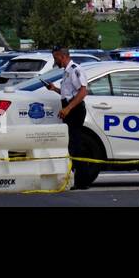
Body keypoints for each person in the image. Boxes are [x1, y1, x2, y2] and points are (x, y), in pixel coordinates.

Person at [41, 46, 88, 179]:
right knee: (71, 143)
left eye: (56, 58)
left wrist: (68, 108)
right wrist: (54, 89)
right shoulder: (67, 71)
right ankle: (73, 176)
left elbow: (83, 92)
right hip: (70, 108)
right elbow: (67, 93)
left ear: (63, 56)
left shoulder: (75, 70)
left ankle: (81, 178)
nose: (55, 61)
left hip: (75, 110)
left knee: (75, 143)